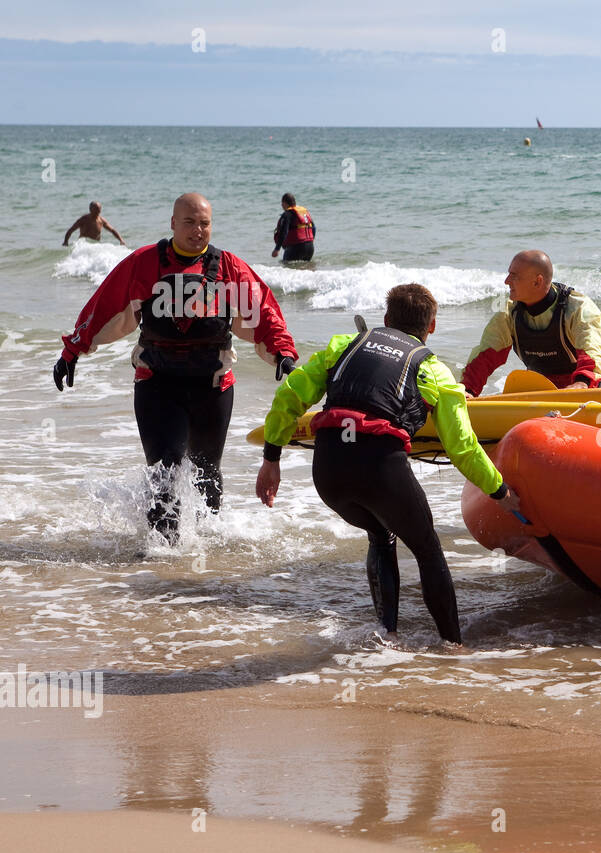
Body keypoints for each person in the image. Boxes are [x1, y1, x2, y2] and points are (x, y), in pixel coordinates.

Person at [256, 284, 520, 645]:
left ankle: (387, 633)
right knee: (427, 549)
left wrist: (272, 459)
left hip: (329, 472)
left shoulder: (342, 346)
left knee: (381, 534)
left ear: (385, 319)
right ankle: (453, 647)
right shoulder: (434, 371)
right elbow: (462, 447)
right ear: (432, 327)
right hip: (379, 470)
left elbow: (290, 395)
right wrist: (499, 490)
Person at [54, 192, 298, 543]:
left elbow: (264, 312)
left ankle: (206, 557)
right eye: (189, 222)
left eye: (204, 223)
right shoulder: (143, 263)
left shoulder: (228, 267)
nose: (197, 230)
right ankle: (161, 560)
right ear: (172, 223)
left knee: (207, 473)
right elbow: (103, 306)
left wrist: (283, 353)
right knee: (165, 471)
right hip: (157, 385)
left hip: (213, 386)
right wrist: (72, 351)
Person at [460, 250, 601, 396]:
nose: (506, 281)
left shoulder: (578, 308)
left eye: (514, 276)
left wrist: (581, 383)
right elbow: (485, 356)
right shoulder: (509, 313)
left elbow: (593, 353)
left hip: (581, 393)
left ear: (537, 281)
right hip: (538, 393)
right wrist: (468, 389)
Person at [272, 192, 315, 262]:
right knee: (306, 269)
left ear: (285, 203)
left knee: (286, 267)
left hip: (296, 248)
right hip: (310, 248)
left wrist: (277, 249)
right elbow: (313, 228)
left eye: (282, 203)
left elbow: (284, 232)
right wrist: (311, 242)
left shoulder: (287, 214)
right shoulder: (304, 212)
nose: (281, 205)